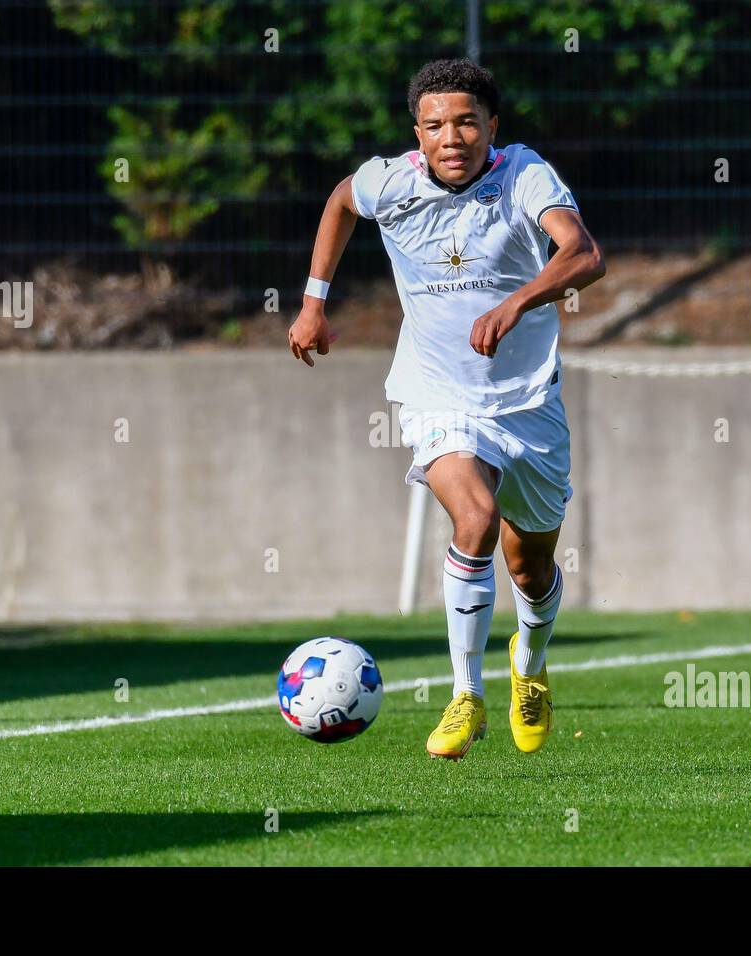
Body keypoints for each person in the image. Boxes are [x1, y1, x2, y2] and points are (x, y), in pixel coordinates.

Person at [287, 58, 605, 759]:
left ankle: (529, 663)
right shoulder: (390, 181)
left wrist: (517, 301)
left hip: (528, 405)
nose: (451, 137)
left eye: (466, 122)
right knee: (476, 518)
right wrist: (313, 301)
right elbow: (342, 200)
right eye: (435, 126)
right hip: (437, 395)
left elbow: (583, 255)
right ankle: (467, 696)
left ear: (493, 126)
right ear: (417, 134)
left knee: (531, 568)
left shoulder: (524, 176)